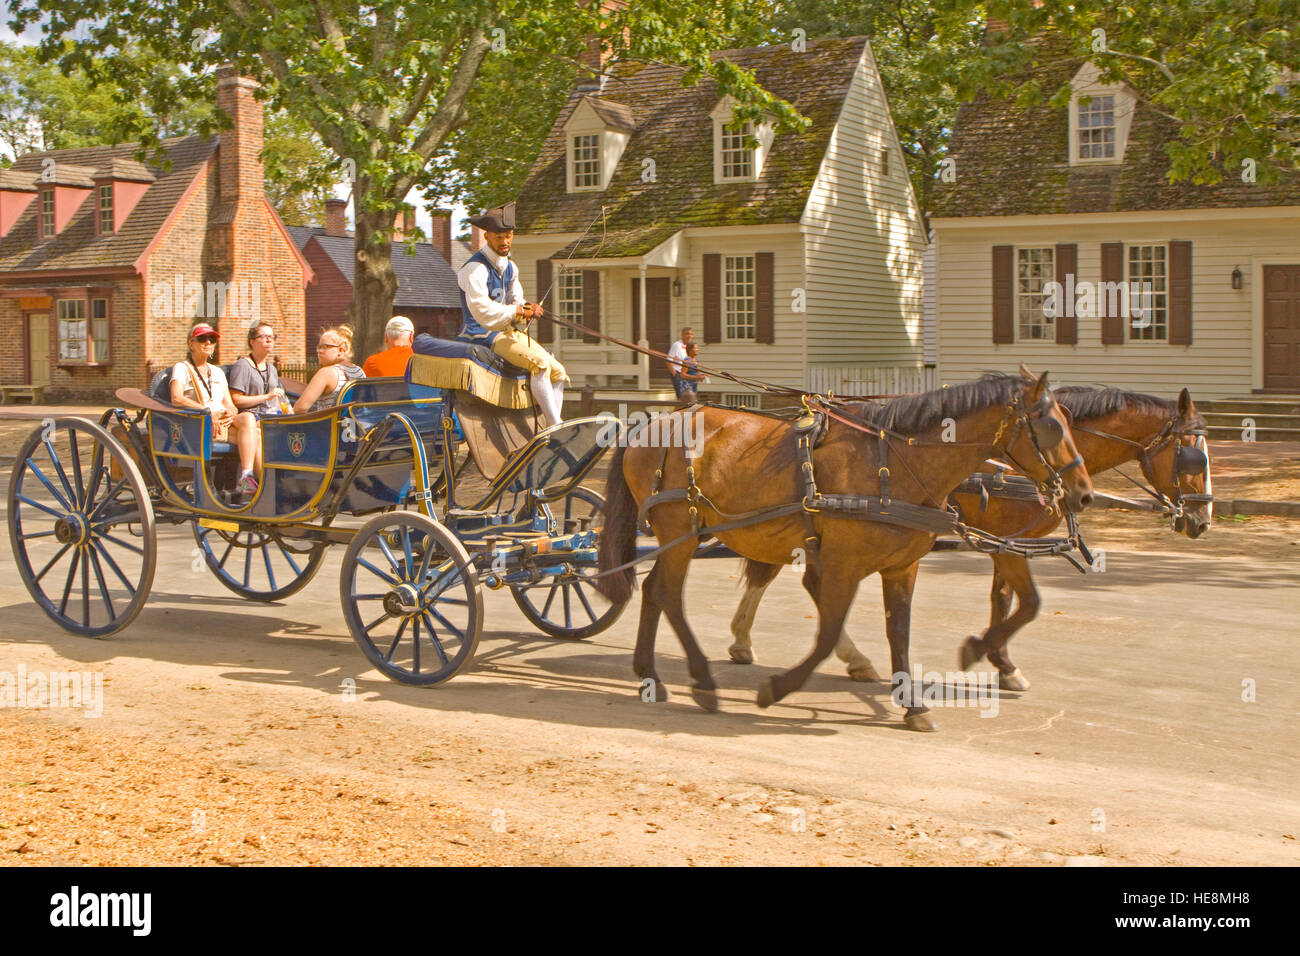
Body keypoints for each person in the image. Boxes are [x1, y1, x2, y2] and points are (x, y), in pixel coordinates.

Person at [456, 201, 569, 427]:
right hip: (481, 334)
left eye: (509, 236)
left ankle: (552, 422)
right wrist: (517, 311)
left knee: (558, 371)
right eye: (499, 237)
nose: (505, 242)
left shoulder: (511, 268)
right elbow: (483, 311)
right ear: (486, 236)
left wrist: (527, 309)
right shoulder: (474, 269)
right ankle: (555, 426)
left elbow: (515, 300)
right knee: (540, 364)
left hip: (506, 332)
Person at [170, 323, 262, 495]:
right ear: (191, 343)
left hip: (222, 423)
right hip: (199, 424)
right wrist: (206, 411)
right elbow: (176, 398)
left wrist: (231, 413)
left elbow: (230, 404)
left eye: (212, 339)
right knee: (256, 436)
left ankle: (249, 477)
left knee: (250, 421)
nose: (208, 343)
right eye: (202, 338)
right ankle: (264, 486)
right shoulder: (182, 368)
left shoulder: (217, 372)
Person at [293, 325, 366, 414]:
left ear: (340, 351)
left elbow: (300, 408)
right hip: (356, 425)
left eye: (325, 347)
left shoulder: (327, 373)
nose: (319, 351)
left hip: (330, 426)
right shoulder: (359, 371)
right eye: (319, 347)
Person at [228, 322, 289, 415]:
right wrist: (267, 396)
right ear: (252, 342)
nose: (269, 340)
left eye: (272, 337)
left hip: (273, 418)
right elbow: (236, 400)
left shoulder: (272, 369)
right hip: (252, 419)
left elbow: (278, 398)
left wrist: (288, 413)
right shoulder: (242, 366)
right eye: (264, 336)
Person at [666, 327, 694, 396]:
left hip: (685, 375)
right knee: (682, 396)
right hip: (678, 374)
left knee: (688, 396)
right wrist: (675, 375)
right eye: (687, 334)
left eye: (691, 334)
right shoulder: (677, 345)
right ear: (682, 335)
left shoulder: (687, 347)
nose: (689, 336)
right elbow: (668, 361)